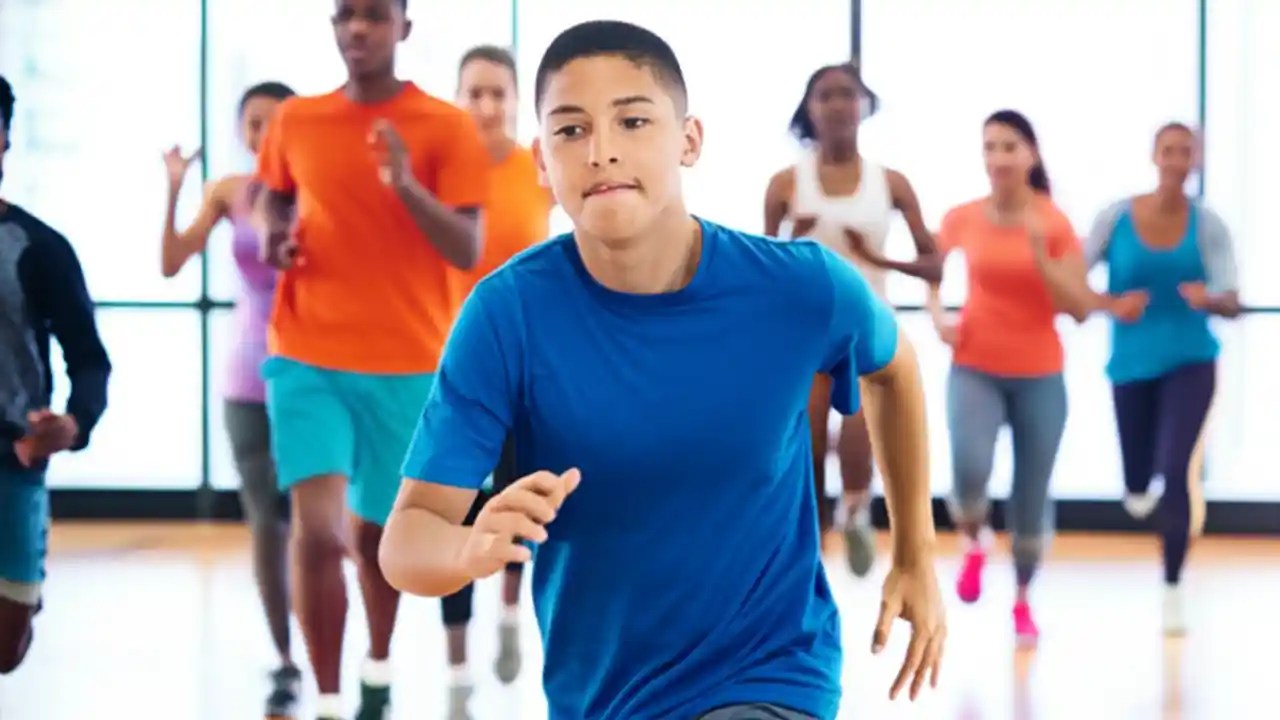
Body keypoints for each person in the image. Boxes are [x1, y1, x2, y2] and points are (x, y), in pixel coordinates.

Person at [381, 20, 945, 720]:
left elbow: (896, 370)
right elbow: (405, 542)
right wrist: (470, 546)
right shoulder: (506, 315)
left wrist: (915, 553)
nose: (602, 152)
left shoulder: (800, 289)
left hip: (771, 677)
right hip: (602, 698)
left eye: (634, 120)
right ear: (541, 161)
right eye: (570, 130)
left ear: (689, 140)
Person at [254, 1, 489, 718]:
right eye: (344, 15)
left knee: (377, 534)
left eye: (375, 16)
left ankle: (378, 666)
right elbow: (273, 200)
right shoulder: (297, 121)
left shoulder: (447, 127)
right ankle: (326, 701)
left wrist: (406, 185)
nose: (358, 29)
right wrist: (273, 236)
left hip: (409, 361)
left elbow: (467, 248)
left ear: (404, 28)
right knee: (318, 536)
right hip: (306, 353)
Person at [925, 110, 1132, 648]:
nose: (998, 157)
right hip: (974, 364)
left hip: (1040, 372)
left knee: (1030, 492)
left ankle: (1021, 599)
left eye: (1009, 147)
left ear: (1030, 156)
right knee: (969, 472)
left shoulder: (1053, 222)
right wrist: (936, 313)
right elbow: (931, 266)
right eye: (990, 147)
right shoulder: (963, 217)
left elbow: (1080, 308)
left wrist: (1042, 256)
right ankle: (974, 543)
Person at [764, 61, 941, 576]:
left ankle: (858, 510)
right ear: (809, 109)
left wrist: (880, 258)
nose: (839, 104)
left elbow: (934, 264)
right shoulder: (784, 185)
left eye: (848, 94)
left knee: (861, 432)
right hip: (807, 333)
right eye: (827, 95)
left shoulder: (891, 183)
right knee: (811, 443)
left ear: (864, 106)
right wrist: (793, 241)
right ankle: (814, 546)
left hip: (869, 327)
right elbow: (766, 270)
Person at [158, 80, 301, 717]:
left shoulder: (317, 192)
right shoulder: (227, 193)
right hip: (244, 381)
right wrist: (173, 189)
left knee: (316, 530)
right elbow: (170, 263)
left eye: (274, 124)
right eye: (252, 124)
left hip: (311, 378)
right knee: (265, 528)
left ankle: (325, 647)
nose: (261, 135)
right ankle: (285, 658)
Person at [1074, 122, 1238, 634]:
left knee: (1176, 468)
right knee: (1139, 480)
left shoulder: (1208, 224)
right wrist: (1110, 304)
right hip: (1130, 364)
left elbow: (1231, 296)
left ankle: (1172, 585)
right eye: (1168, 150)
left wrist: (1208, 298)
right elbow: (1071, 281)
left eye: (1186, 152)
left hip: (1192, 358)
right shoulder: (1115, 218)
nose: (1176, 159)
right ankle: (1136, 486)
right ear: (1154, 156)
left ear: (1197, 161)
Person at [438, 43, 553, 718]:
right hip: (445, 369)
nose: (486, 105)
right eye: (473, 92)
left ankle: (510, 613)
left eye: (497, 93)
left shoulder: (534, 171)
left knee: (512, 499)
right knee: (450, 512)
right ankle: (457, 676)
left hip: (522, 368)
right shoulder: (440, 172)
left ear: (516, 100)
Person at [0, 74, 112, 675]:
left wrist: (73, 422)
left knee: (6, 650)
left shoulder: (38, 247)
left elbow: (89, 360)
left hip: (12, 461)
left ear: (5, 141)